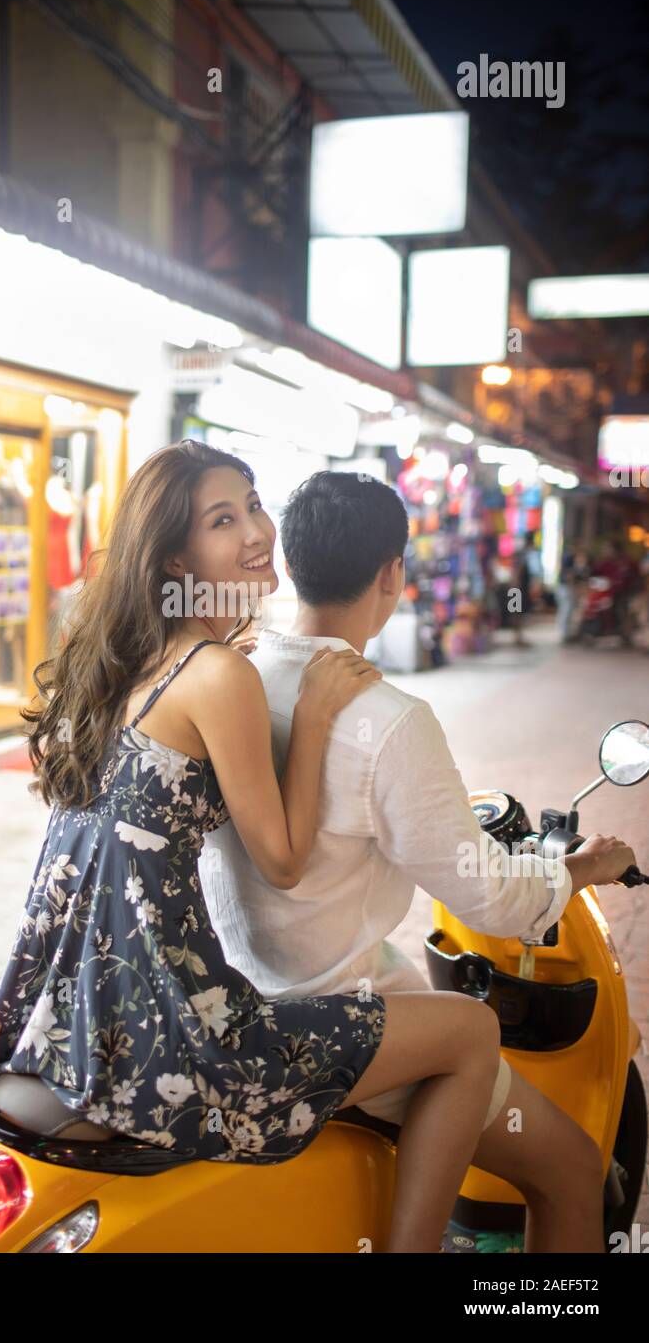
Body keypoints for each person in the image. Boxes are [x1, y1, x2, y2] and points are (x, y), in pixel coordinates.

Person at [0, 440, 509, 1255]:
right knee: (470, 1033)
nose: (255, 532)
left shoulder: (130, 666)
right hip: (173, 1036)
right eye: (223, 519)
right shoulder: (216, 675)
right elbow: (281, 859)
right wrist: (312, 714)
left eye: (252, 503)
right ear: (176, 557)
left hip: (64, 1024)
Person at [200, 470, 638, 1254]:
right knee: (570, 1166)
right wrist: (583, 868)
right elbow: (494, 900)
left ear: (290, 562)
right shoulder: (388, 720)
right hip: (337, 1011)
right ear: (393, 574)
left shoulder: (228, 678)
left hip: (236, 996)